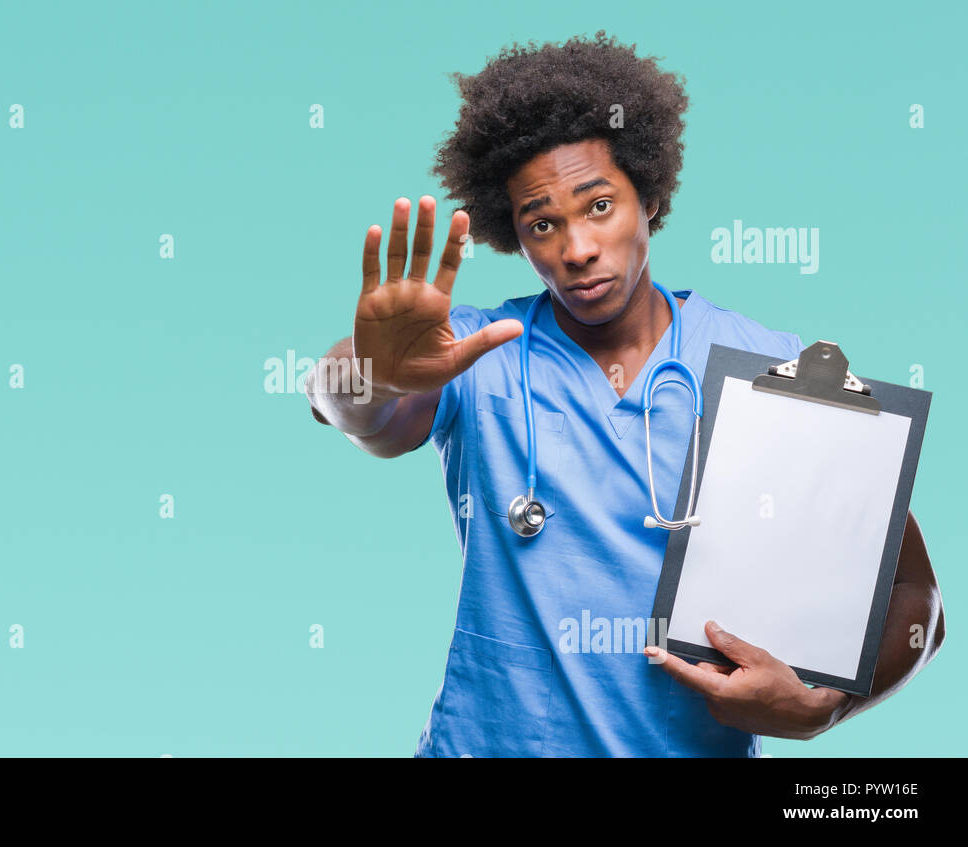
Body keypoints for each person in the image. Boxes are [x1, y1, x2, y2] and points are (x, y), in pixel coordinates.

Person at [304, 31, 945, 757]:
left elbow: (915, 597)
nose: (575, 248)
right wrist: (372, 374)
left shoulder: (771, 369)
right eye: (542, 223)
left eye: (599, 205)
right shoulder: (473, 354)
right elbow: (356, 412)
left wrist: (824, 708)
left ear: (651, 197)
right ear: (515, 235)